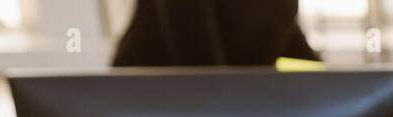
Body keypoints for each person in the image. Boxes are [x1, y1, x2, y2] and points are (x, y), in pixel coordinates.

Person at [112, 0, 318, 67]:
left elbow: (284, 32)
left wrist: (332, 86)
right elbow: (196, 54)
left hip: (233, 98)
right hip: (157, 98)